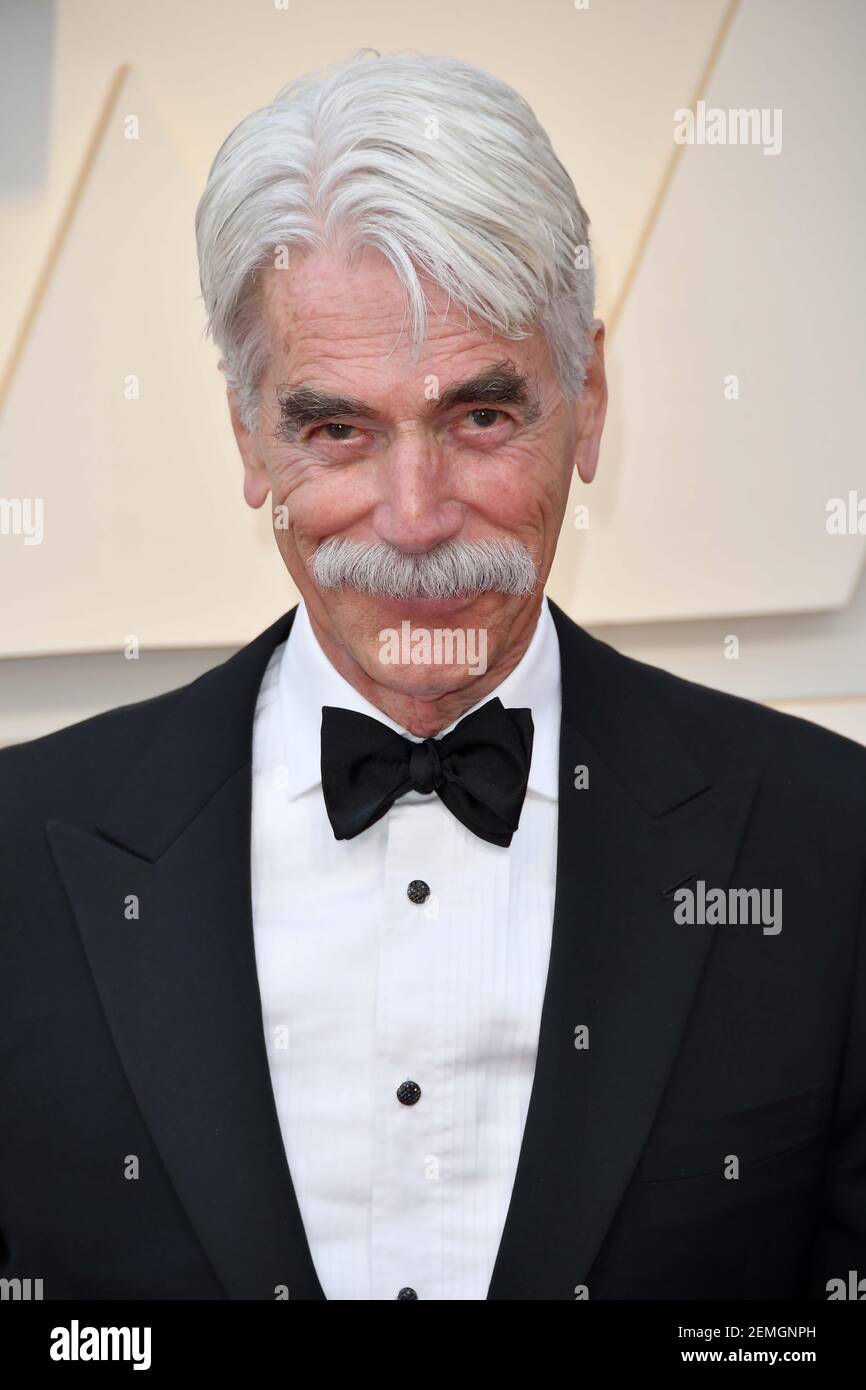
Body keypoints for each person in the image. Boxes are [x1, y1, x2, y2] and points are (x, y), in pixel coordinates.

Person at [1, 50, 864, 1301]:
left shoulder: (824, 845)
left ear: (590, 398)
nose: (412, 519)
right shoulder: (20, 857)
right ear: (249, 436)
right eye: (335, 428)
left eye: (478, 418)